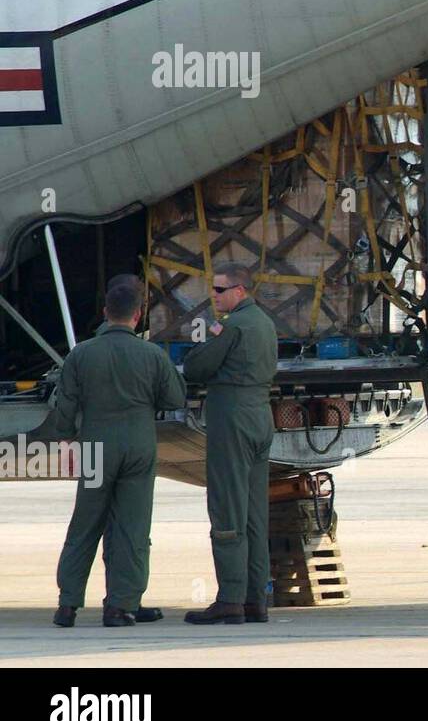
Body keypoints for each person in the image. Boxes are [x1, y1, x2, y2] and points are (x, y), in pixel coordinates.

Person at [51, 278, 187, 627]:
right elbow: (174, 398)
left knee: (85, 524)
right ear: (139, 316)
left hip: (96, 446)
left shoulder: (81, 354)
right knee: (132, 527)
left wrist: (66, 439)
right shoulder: (152, 354)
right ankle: (121, 606)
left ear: (105, 313)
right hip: (139, 446)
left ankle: (68, 605)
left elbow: (65, 404)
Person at [182, 262, 278, 625]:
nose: (214, 296)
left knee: (226, 508)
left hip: (233, 418)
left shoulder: (234, 326)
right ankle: (256, 600)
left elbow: (197, 368)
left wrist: (207, 342)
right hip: (260, 415)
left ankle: (230, 599)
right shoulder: (265, 324)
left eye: (220, 290)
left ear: (240, 290)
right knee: (255, 513)